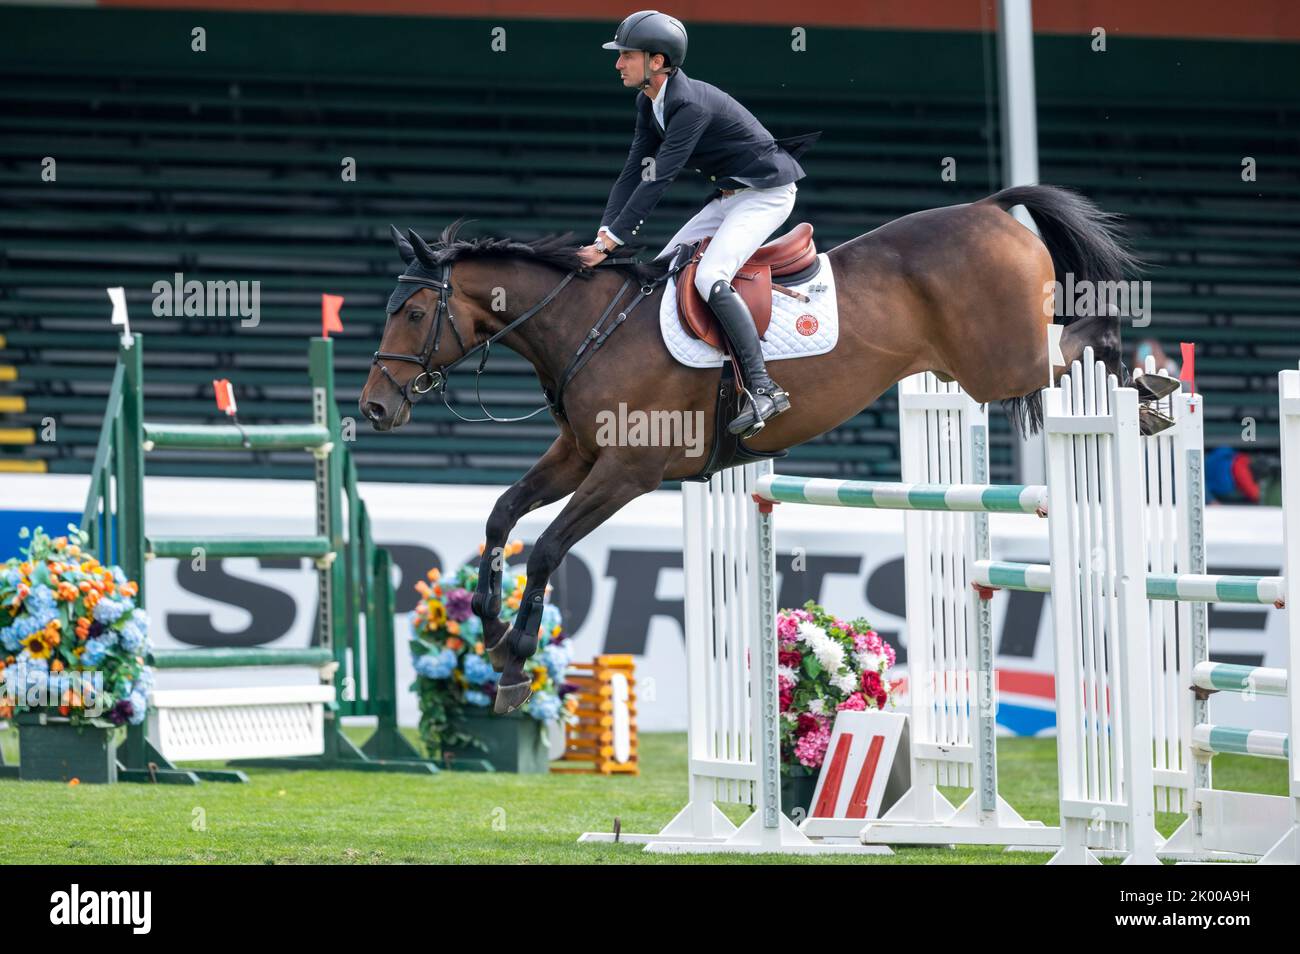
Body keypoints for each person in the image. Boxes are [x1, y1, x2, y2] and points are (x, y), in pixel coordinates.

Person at [579, 10, 821, 438]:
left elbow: (660, 178)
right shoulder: (648, 102)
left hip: (766, 193)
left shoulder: (688, 106)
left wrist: (613, 243)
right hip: (730, 196)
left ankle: (764, 389)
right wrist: (604, 233)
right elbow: (635, 169)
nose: (618, 64)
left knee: (711, 275)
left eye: (627, 56)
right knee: (667, 265)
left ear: (657, 61)